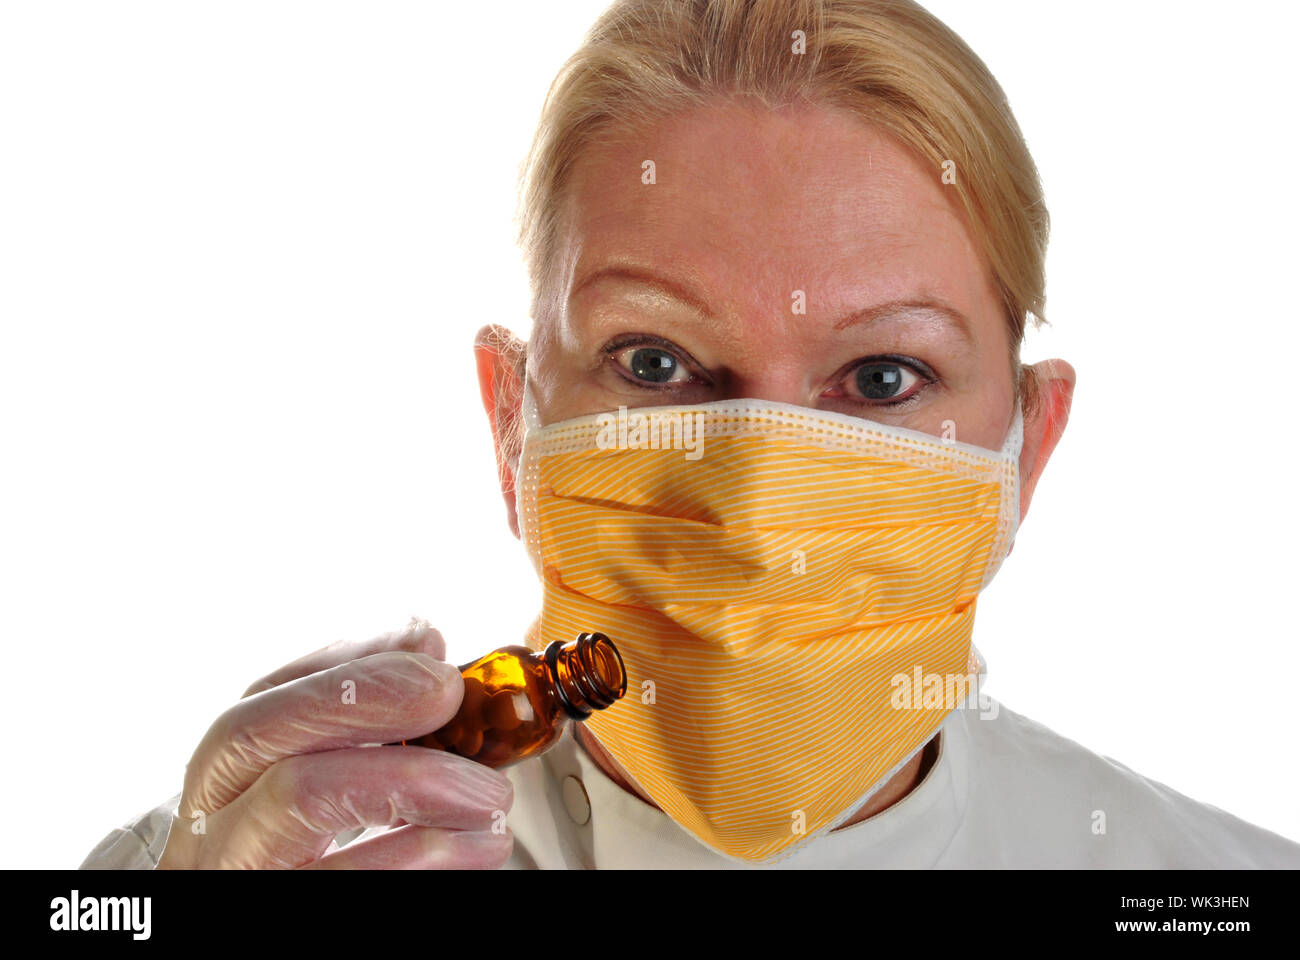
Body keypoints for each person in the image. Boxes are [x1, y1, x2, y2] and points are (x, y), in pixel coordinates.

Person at [82, 0, 1300, 870]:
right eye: (654, 364)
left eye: (882, 378)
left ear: (1025, 451)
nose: (758, 509)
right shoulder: (211, 867)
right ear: (510, 422)